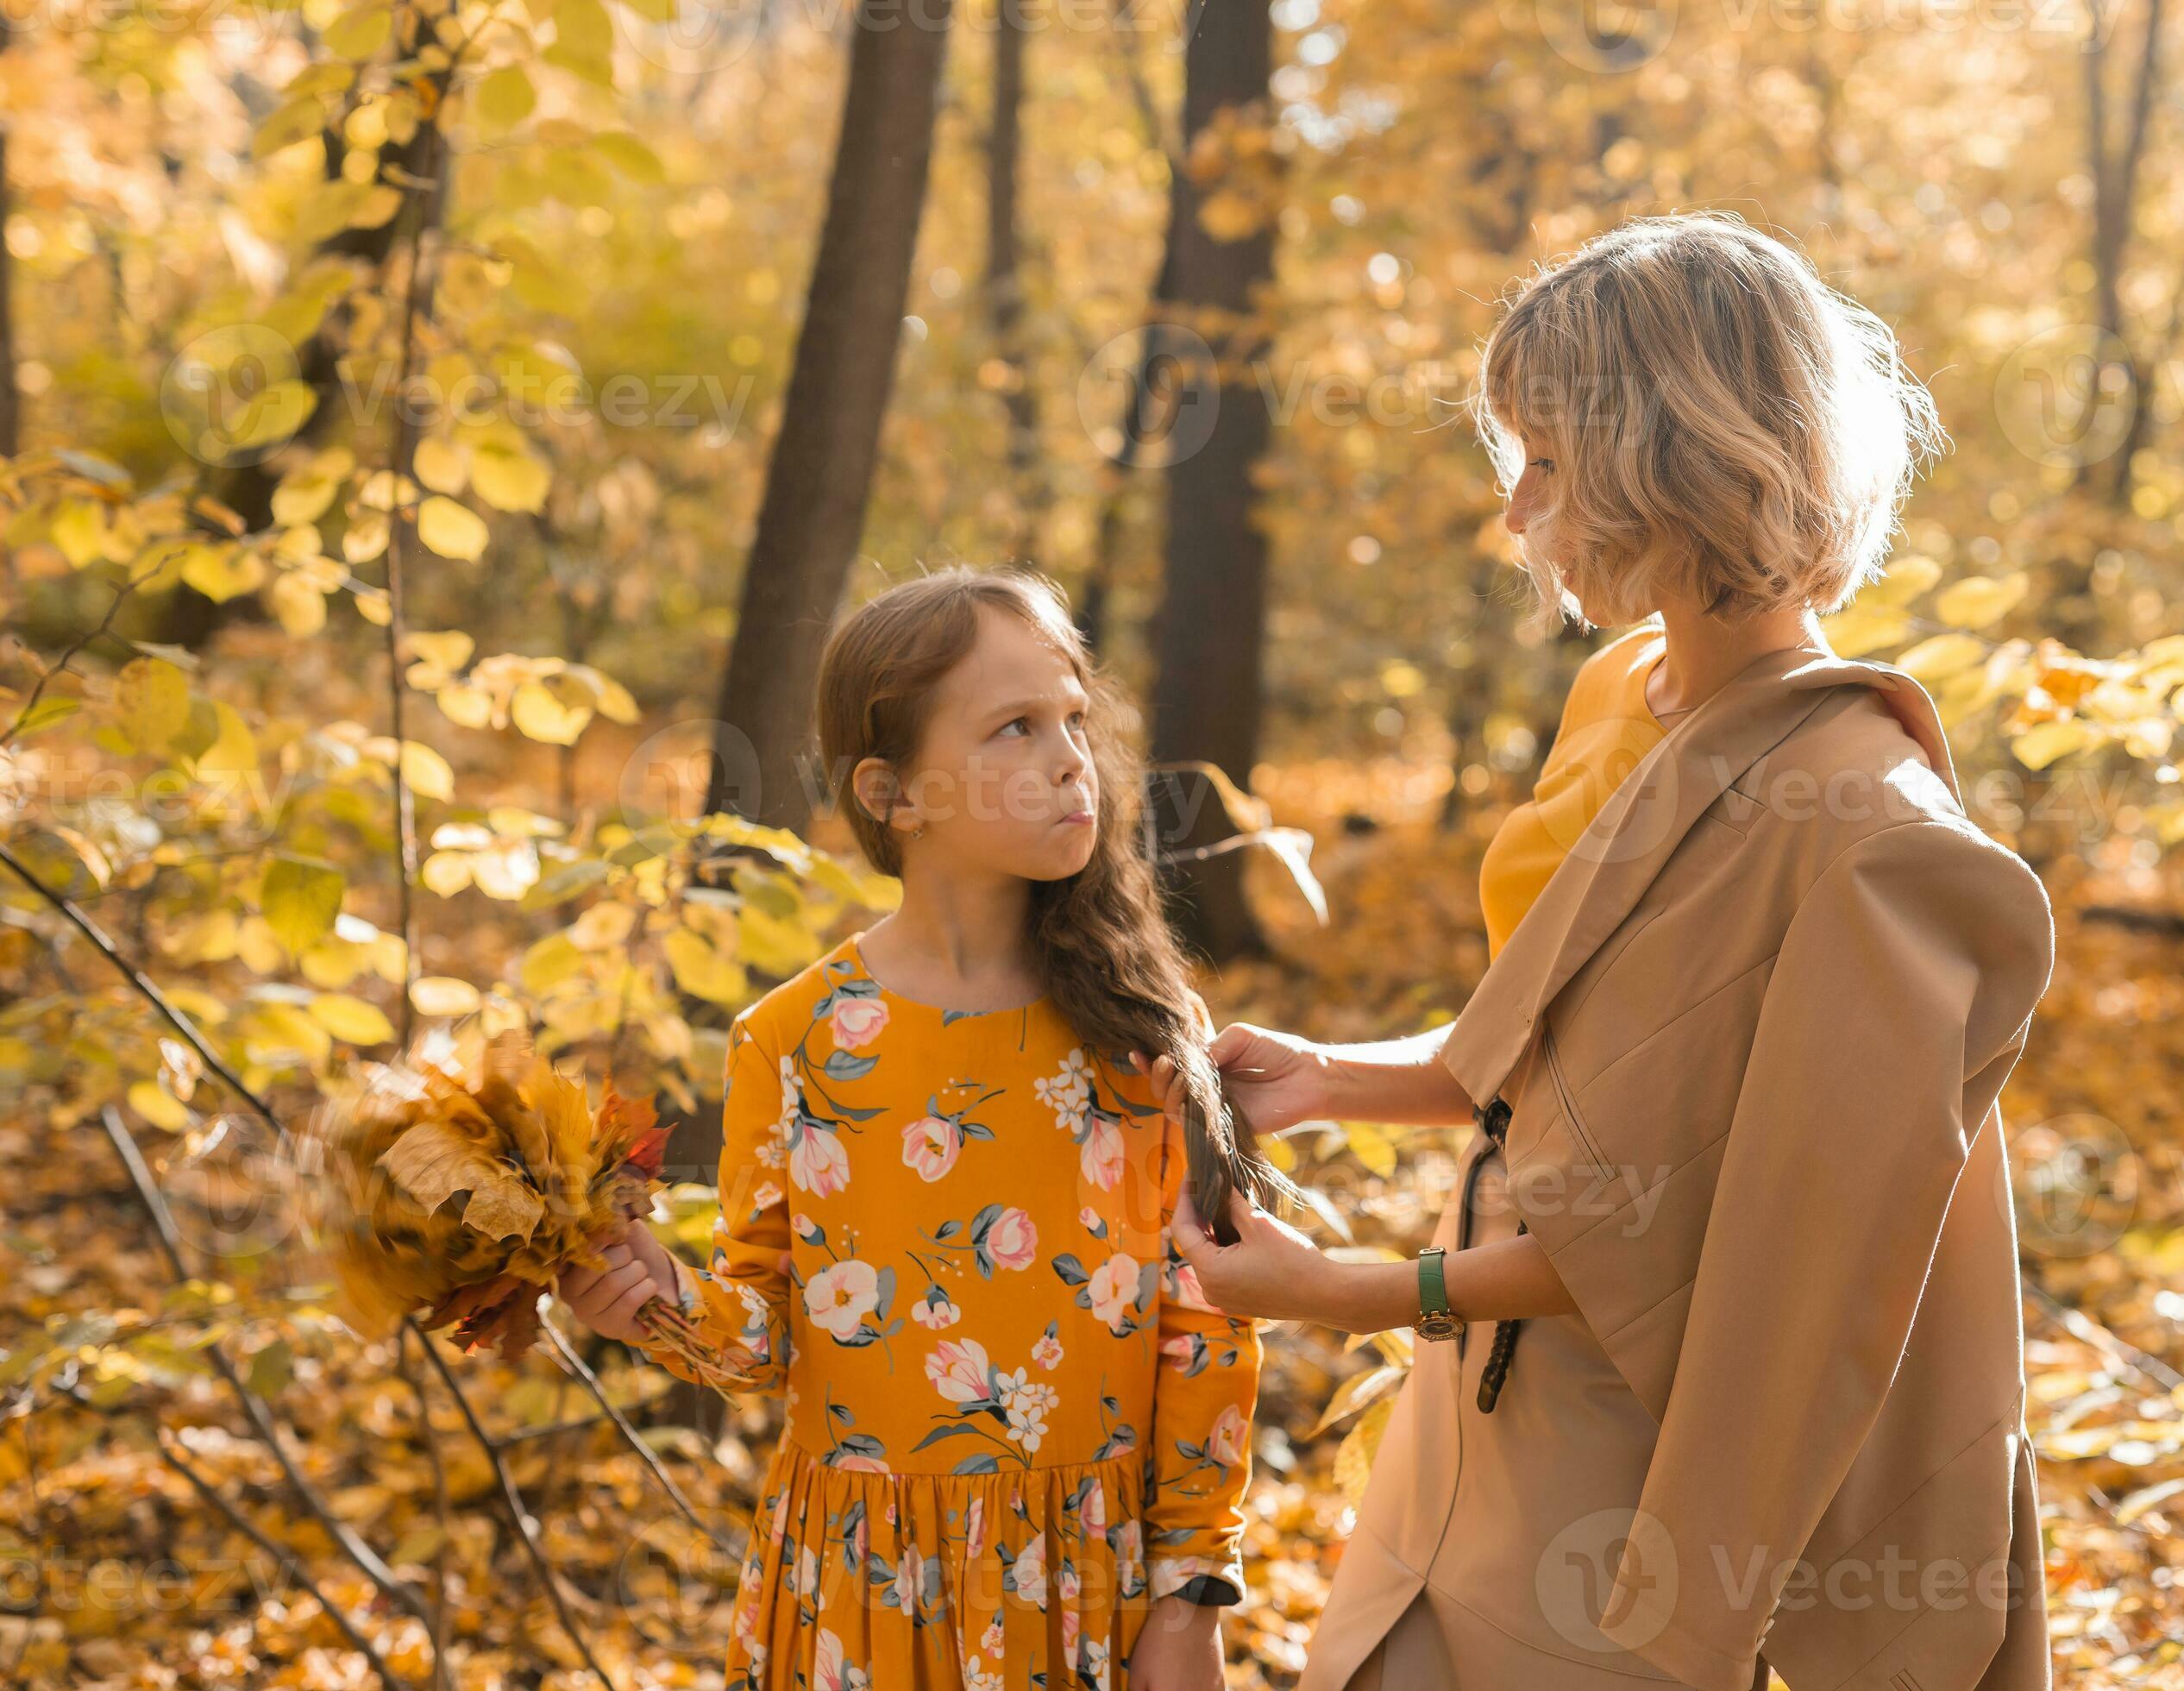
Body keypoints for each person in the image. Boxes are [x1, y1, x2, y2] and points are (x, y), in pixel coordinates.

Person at [1155, 213, 2057, 1690]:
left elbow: (1750, 1252)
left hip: (1640, 1493)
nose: (1517, 513)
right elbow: (1569, 1058)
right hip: (1467, 1430)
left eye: (1550, 462)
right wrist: (1330, 1081)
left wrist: (1360, 1293)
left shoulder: (1873, 829)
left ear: (1676, 457)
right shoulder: (1625, 694)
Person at [562, 567, 1269, 1691]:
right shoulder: (794, 1042)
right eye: (1013, 729)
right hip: (864, 1598)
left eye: (1074, 719)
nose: (1068, 758)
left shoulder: (1140, 1022)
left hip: (1090, 1581)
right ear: (894, 795)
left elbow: (1207, 1317)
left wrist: (1194, 1590)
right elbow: (759, 1341)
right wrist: (647, 1301)